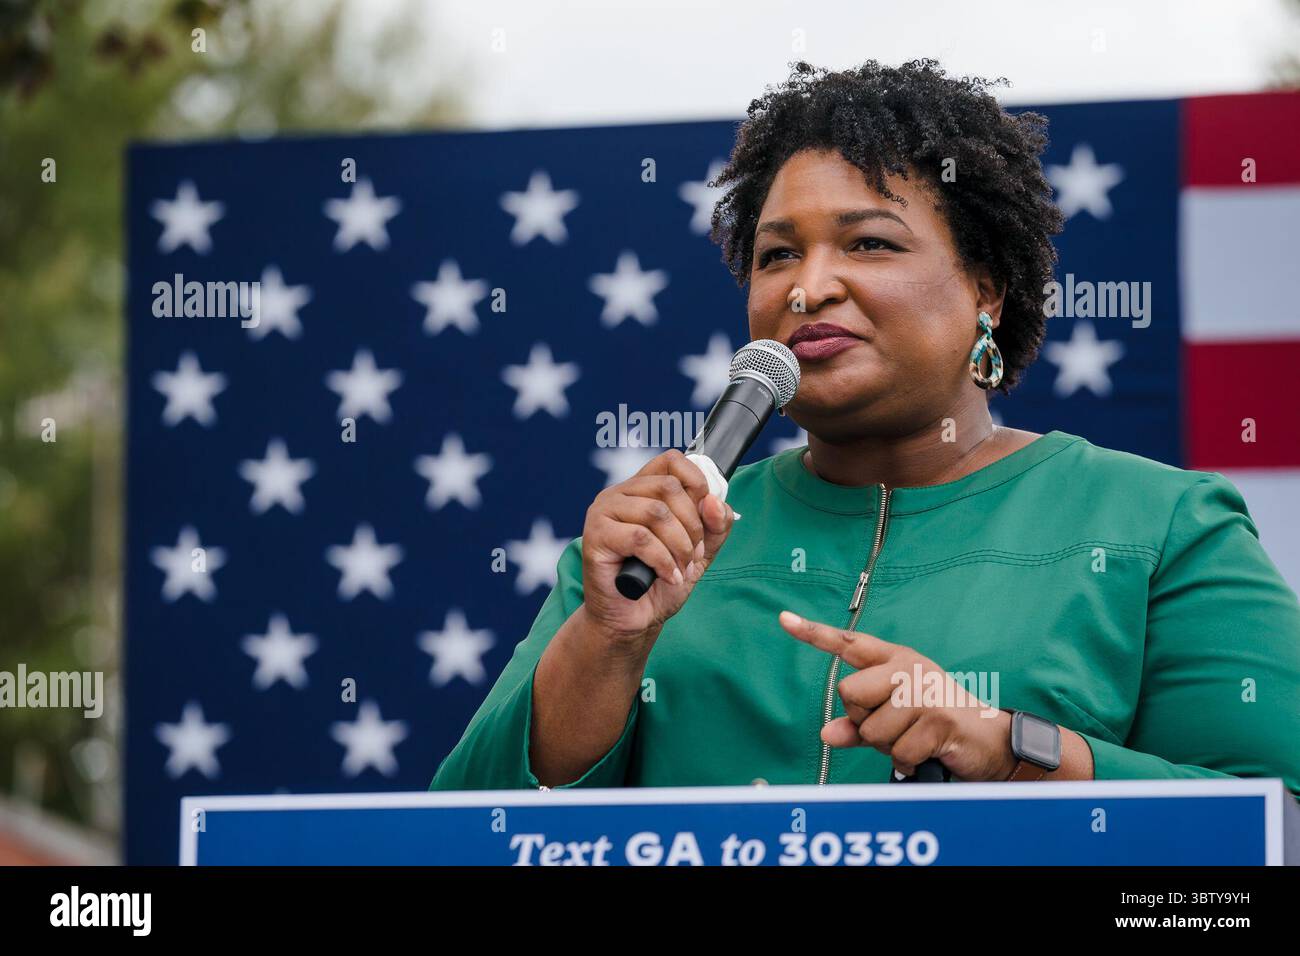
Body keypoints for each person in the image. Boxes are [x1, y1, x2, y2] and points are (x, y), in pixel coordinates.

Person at [429, 59, 1300, 794]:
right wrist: (607, 644)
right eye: (777, 255)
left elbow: (1275, 820)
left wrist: (1013, 749)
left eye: (869, 243)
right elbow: (460, 834)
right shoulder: (650, 545)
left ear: (984, 293)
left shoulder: (1159, 527)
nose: (806, 287)